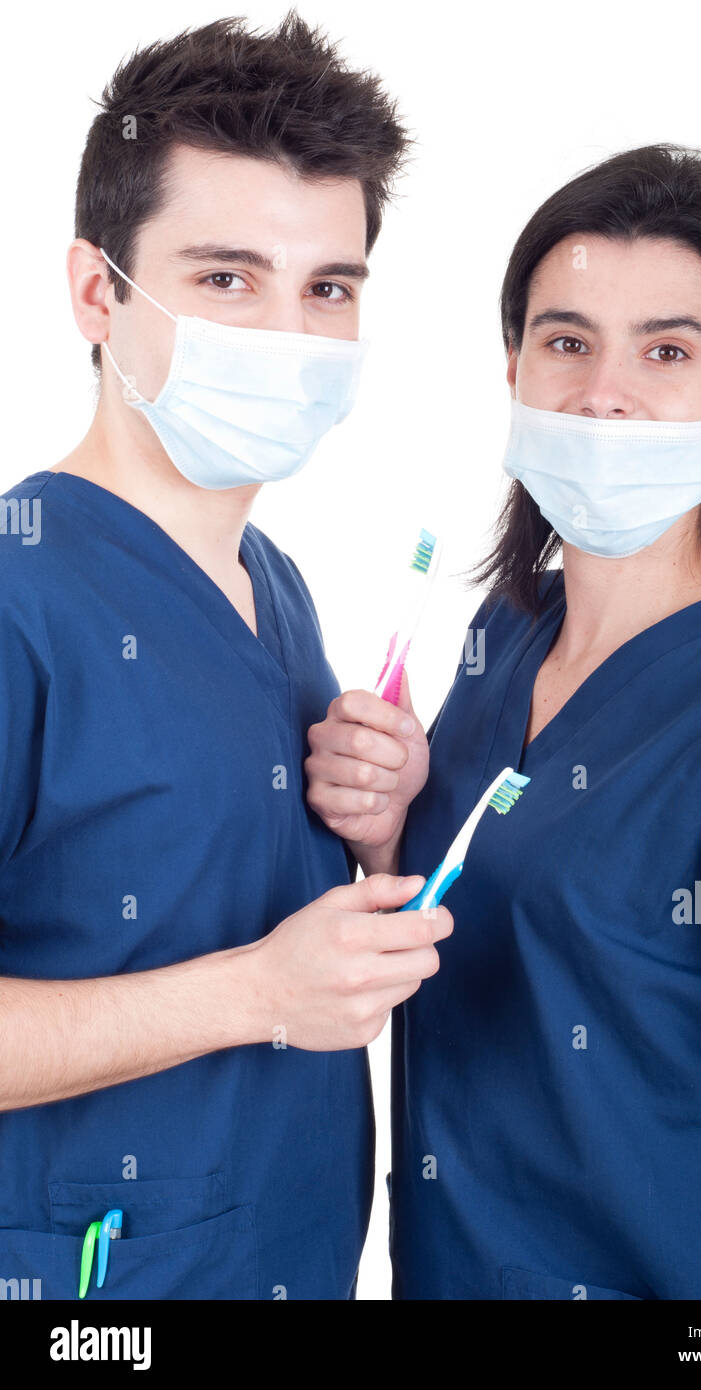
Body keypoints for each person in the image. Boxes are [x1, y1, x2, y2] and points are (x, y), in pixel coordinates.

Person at [306, 145, 701, 1300]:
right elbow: (484, 911)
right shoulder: (506, 637)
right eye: (565, 342)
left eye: (665, 351)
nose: (602, 392)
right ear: (511, 366)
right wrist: (388, 821)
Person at [0, 13, 452, 1302]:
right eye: (224, 277)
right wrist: (256, 991)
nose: (288, 336)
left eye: (328, 288)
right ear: (98, 290)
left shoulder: (276, 591)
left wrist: (374, 827)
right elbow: (268, 980)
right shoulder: (20, 593)